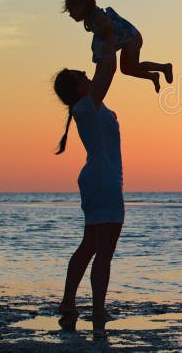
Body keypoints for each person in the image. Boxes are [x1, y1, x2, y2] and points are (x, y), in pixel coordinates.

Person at [52, 21, 123, 333]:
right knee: (103, 252)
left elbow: (104, 73)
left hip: (97, 179)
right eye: (80, 76)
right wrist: (109, 38)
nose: (85, 73)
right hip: (104, 181)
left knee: (90, 244)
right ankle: (97, 311)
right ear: (77, 88)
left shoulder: (89, 106)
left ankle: (69, 302)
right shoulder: (87, 106)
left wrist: (109, 41)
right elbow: (108, 70)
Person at [63, 0, 173, 93]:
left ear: (82, 7)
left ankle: (164, 67)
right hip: (127, 40)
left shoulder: (96, 16)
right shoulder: (91, 19)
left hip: (132, 38)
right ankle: (153, 76)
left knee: (133, 65)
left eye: (72, 10)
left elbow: (107, 26)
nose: (70, 14)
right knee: (126, 69)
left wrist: (106, 43)